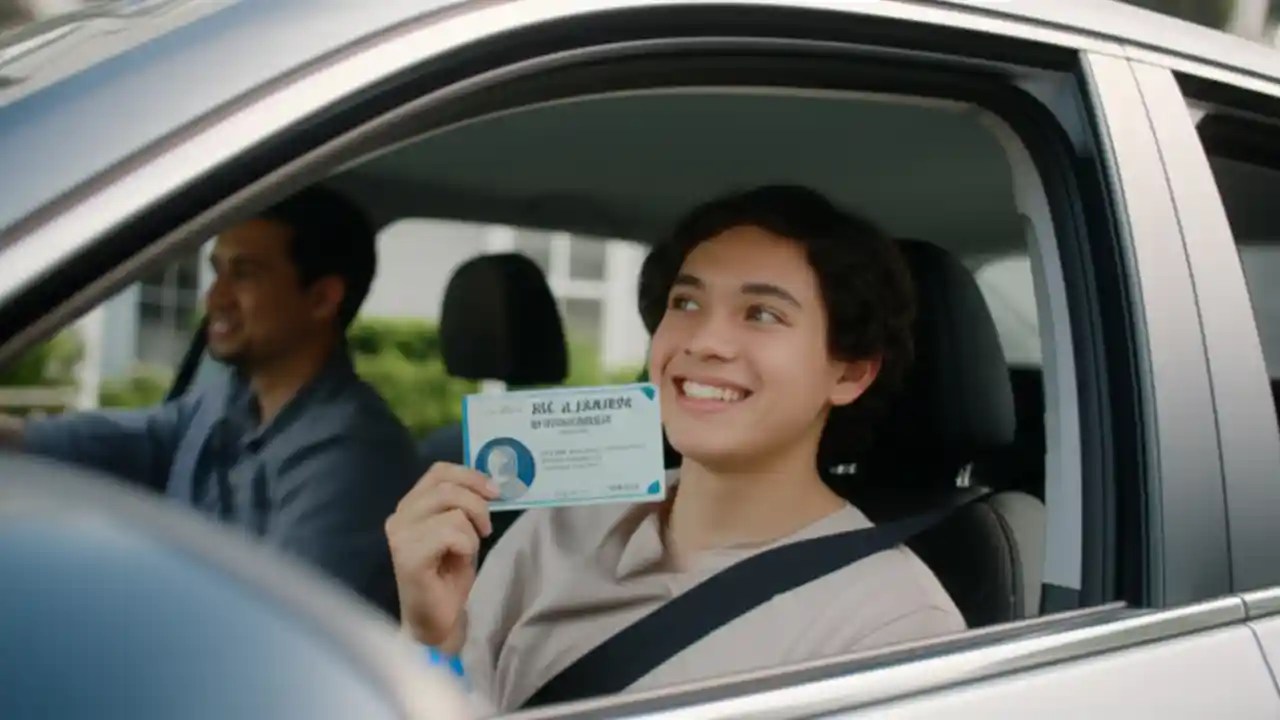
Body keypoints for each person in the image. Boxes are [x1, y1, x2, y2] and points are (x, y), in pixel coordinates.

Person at [385, 186, 965, 710]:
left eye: (762, 314)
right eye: (686, 303)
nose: (706, 341)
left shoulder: (896, 622)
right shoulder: (561, 525)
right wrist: (433, 638)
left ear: (850, 374)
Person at [0, 187, 420, 615]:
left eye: (245, 274)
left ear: (321, 298)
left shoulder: (352, 455)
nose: (214, 298)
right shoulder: (224, 403)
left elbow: (276, 628)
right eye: (217, 272)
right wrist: (14, 437)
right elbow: (117, 441)